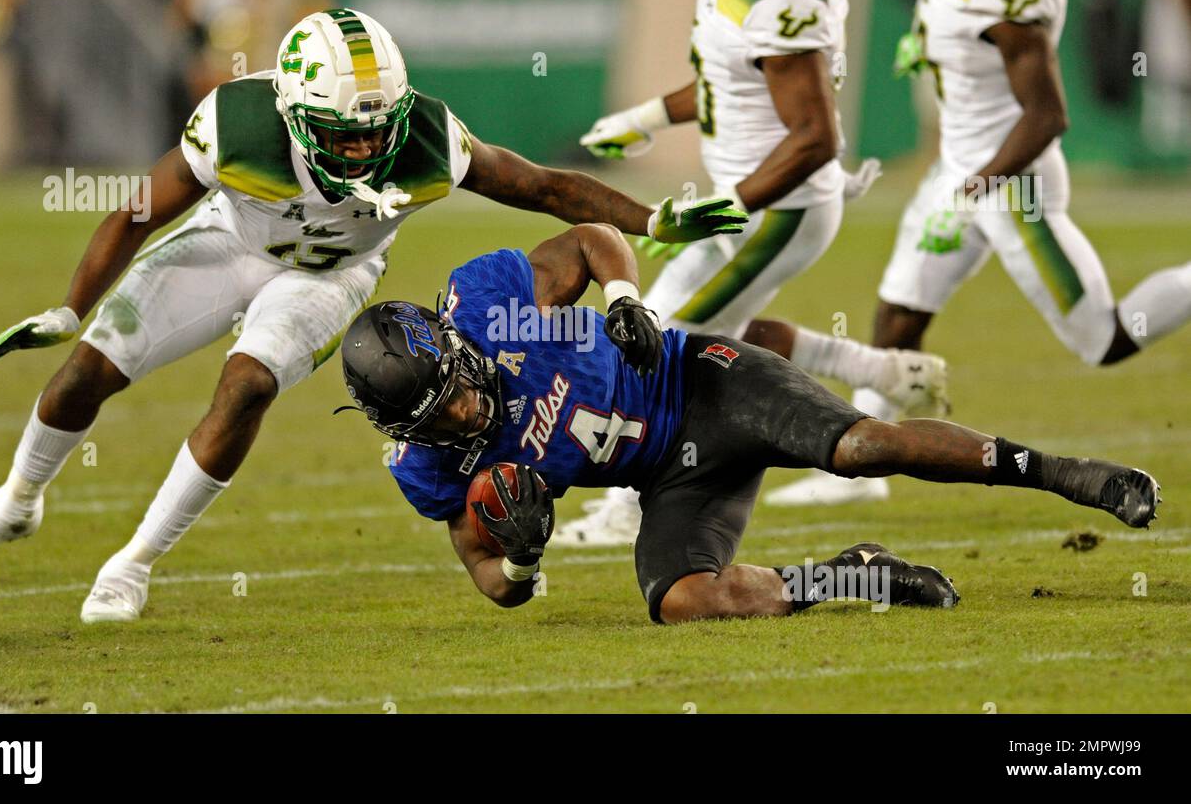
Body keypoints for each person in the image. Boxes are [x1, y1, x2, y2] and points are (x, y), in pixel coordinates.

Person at [0, 8, 746, 623]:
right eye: (338, 135)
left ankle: (132, 563)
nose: (358, 150)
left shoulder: (426, 139)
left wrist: (653, 219)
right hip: (227, 244)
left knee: (245, 386)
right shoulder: (238, 126)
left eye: (371, 132)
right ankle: (15, 501)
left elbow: (543, 187)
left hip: (334, 274)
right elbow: (138, 210)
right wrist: (71, 305)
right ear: (291, 114)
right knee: (83, 374)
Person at [339, 223, 1160, 623]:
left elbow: (590, 242)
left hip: (704, 382)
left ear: (454, 343)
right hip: (668, 477)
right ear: (402, 427)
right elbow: (488, 577)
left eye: (455, 384)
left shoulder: (490, 306)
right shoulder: (428, 467)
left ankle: (1066, 473)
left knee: (859, 445)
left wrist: (626, 298)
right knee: (680, 600)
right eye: (439, 414)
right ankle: (859, 573)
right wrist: (520, 558)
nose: (464, 408)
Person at [769, 0, 1191, 506]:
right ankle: (864, 467)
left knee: (1103, 337)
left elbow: (1047, 116)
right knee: (899, 314)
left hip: (1012, 185)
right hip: (964, 170)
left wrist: (972, 190)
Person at [567, 0, 948, 544]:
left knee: (662, 344)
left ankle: (632, 504)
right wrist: (648, 117)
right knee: (687, 329)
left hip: (778, 210)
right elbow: (731, 78)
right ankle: (884, 371)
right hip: (751, 202)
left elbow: (815, 135)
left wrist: (730, 205)